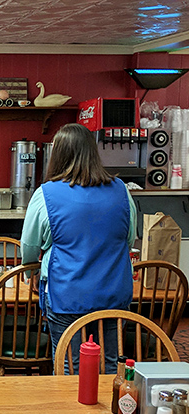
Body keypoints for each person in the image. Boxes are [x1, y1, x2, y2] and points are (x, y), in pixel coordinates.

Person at [20, 123, 137, 373]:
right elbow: (128, 240)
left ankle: (66, 411)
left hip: (66, 293)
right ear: (93, 152)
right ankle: (109, 410)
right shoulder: (121, 191)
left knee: (68, 365)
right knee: (109, 364)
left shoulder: (46, 194)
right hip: (114, 293)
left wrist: (29, 271)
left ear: (58, 155)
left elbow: (29, 246)